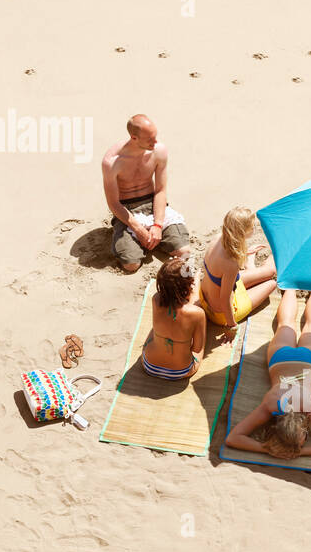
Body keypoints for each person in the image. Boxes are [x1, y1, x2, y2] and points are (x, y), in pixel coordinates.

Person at [223, 290, 311, 460]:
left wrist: (271, 449)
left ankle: (306, 290)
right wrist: (273, 449)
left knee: (310, 326)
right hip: (281, 359)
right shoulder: (273, 405)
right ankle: (301, 288)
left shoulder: (307, 409)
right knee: (288, 324)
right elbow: (233, 438)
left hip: (307, 361)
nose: (303, 444)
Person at [101, 114, 189, 273]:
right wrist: (139, 230)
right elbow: (113, 203)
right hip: (127, 210)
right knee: (131, 265)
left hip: (152, 203)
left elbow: (160, 190)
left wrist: (158, 225)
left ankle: (155, 238)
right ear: (134, 138)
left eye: (155, 137)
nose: (155, 142)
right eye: (150, 139)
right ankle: (129, 240)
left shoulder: (159, 151)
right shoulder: (112, 162)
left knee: (184, 252)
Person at [198, 207, 278, 343]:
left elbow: (220, 263)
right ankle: (276, 254)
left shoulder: (218, 238)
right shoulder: (231, 263)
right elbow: (225, 299)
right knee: (271, 283)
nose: (254, 228)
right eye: (252, 227)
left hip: (205, 298)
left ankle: (251, 263)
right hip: (219, 314)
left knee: (270, 271)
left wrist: (244, 253)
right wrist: (232, 327)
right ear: (242, 231)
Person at [141, 257, 207, 380]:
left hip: (149, 365)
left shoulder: (156, 299)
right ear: (188, 285)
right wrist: (194, 283)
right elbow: (197, 348)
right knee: (199, 349)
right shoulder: (197, 313)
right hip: (181, 371)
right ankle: (196, 280)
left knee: (155, 332)